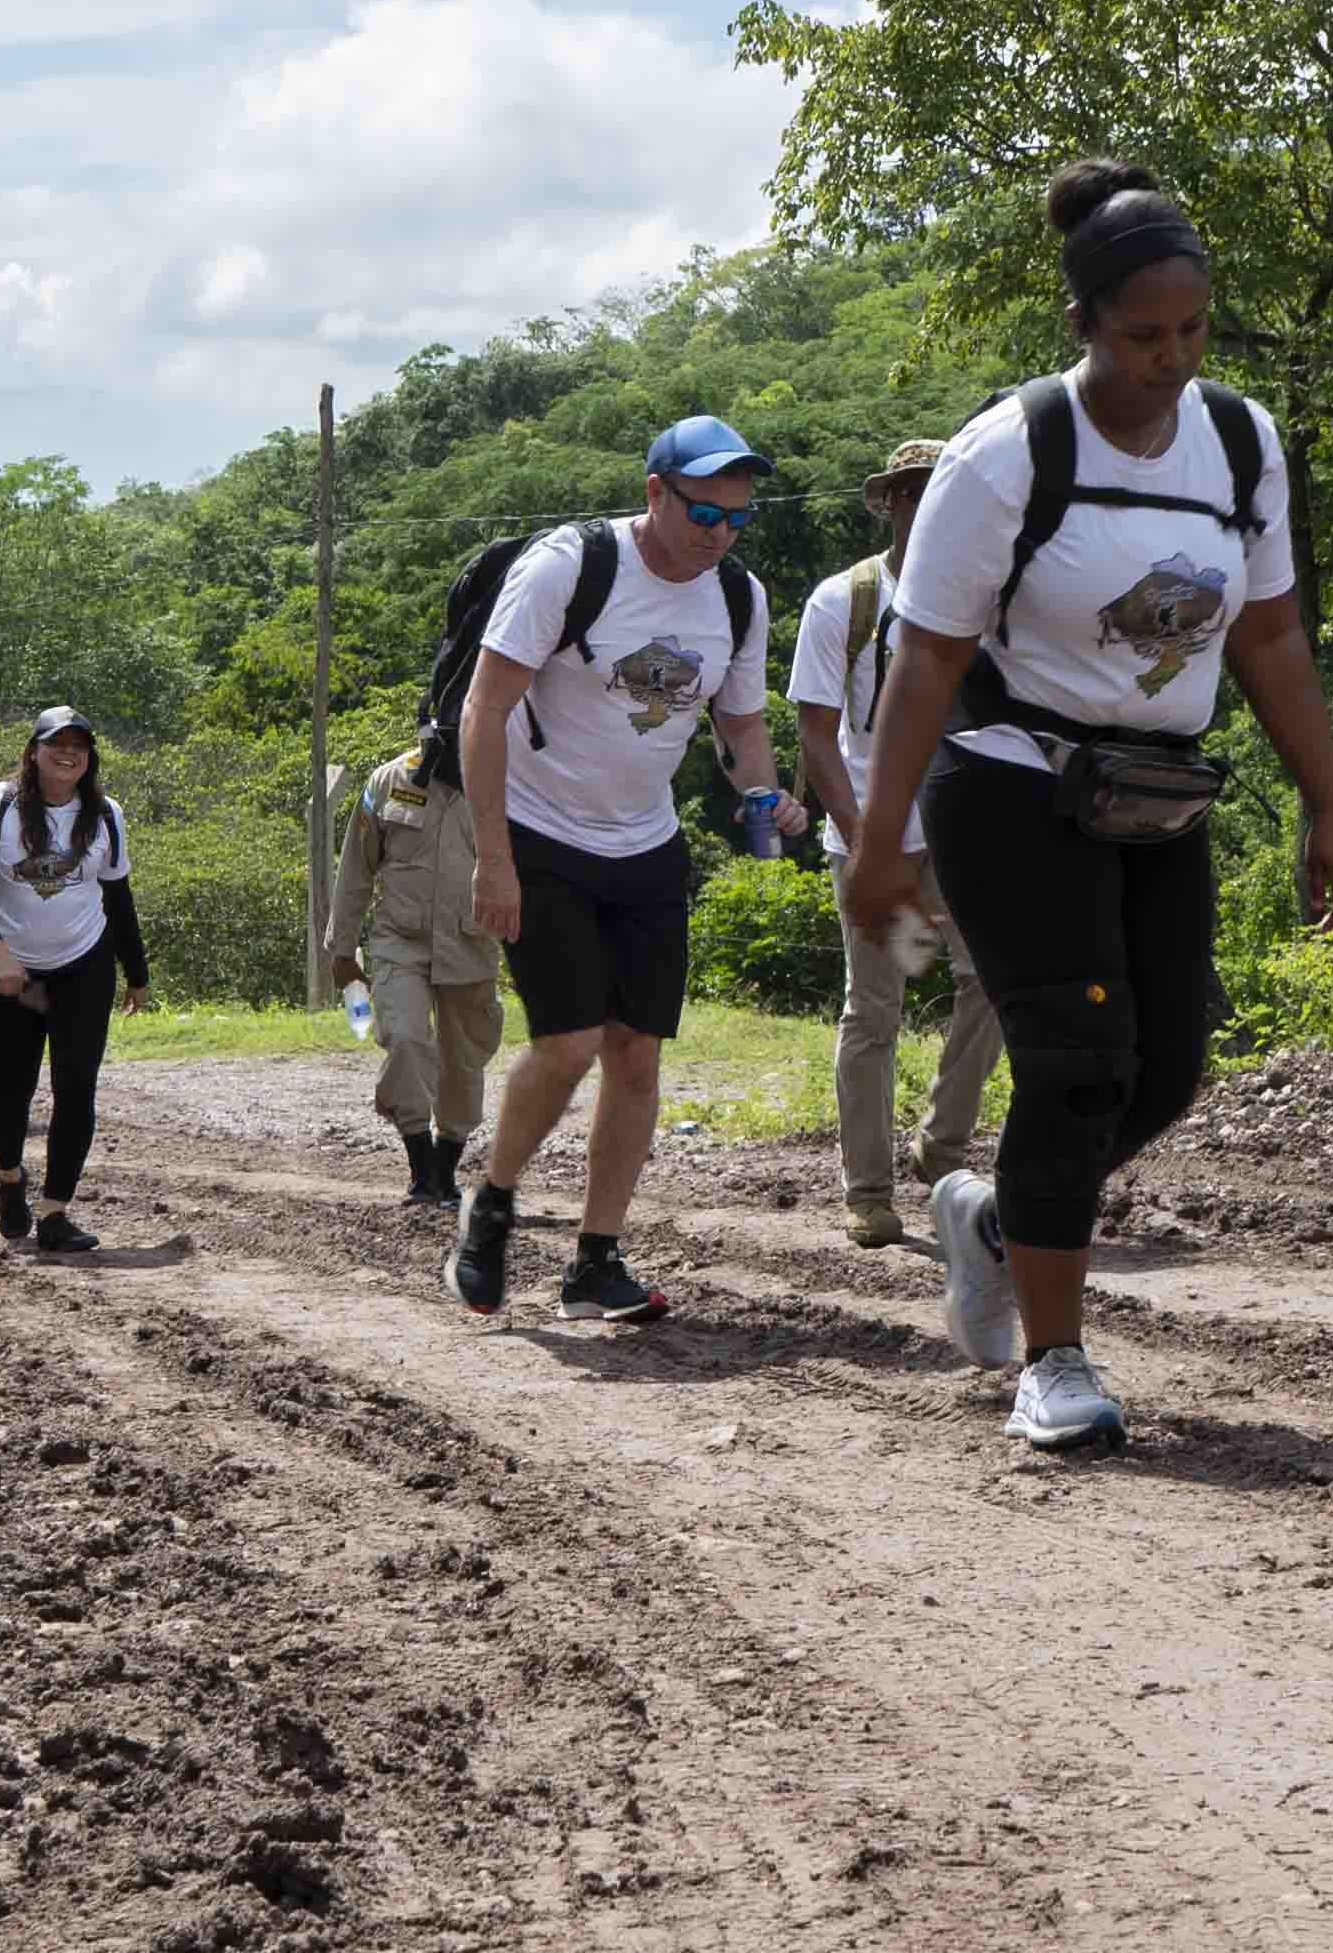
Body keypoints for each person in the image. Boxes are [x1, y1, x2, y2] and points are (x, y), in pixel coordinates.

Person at [843, 163, 1333, 1454]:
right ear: (1080, 323)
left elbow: (1277, 637)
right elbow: (927, 657)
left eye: (1191, 333)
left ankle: (996, 1217)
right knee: (1074, 1066)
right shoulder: (1010, 451)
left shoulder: (1239, 443)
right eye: (1141, 337)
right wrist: (880, 836)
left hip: (1155, 795)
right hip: (1012, 783)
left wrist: (1326, 809)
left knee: (1167, 1067)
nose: (1169, 361)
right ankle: (1052, 1360)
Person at [447, 416, 793, 1328]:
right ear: (655, 492)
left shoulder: (738, 599)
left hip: (645, 842)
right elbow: (483, 709)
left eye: (735, 519)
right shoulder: (572, 567)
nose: (717, 533)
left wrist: (765, 798)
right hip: (537, 832)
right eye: (702, 511)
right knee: (568, 1046)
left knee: (636, 1055)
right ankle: (492, 1203)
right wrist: (493, 858)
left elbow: (743, 728)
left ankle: (596, 1262)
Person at [792, 431, 1007, 1250]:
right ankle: (868, 1190)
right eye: (910, 491)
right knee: (873, 1010)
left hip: (966, 831)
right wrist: (865, 841)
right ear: (890, 504)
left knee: (986, 982)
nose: (924, 504)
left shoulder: (988, 598)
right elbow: (816, 734)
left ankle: (942, 1145)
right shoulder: (842, 601)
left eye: (938, 489)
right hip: (871, 833)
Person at [0, 705, 152, 1256]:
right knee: (11, 1088)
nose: (69, 754)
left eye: (80, 746)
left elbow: (118, 897)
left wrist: (136, 974)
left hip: (82, 967)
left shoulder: (105, 814)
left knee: (76, 1087)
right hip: (12, 968)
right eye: (56, 743)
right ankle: (11, 1179)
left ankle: (55, 1212)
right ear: (34, 752)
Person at [325, 742, 500, 1210]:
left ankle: (445, 1173)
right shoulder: (389, 781)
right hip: (400, 941)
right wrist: (342, 949)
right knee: (403, 1038)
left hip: (472, 944)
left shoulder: (506, 780)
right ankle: (421, 1169)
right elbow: (355, 870)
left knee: (464, 1063)